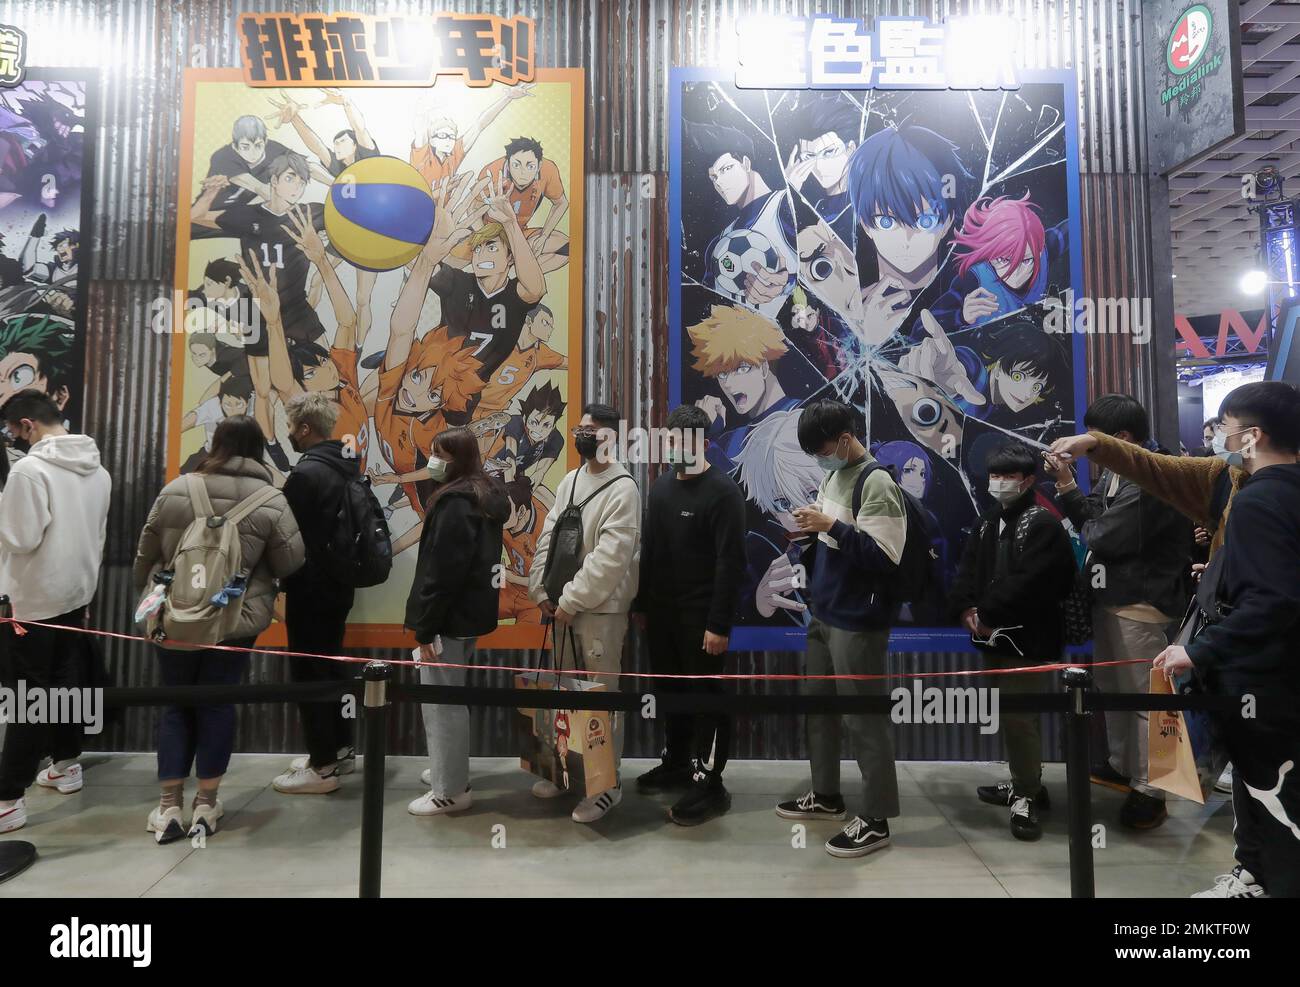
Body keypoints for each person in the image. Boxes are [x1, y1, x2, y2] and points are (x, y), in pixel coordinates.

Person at [1153, 382, 1300, 898]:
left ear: (1253, 436)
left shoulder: (1259, 499)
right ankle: (1254, 872)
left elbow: (1275, 599)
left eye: (1226, 428)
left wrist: (1198, 649)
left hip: (1264, 676)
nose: (1219, 437)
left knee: (1269, 787)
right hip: (1284, 673)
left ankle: (1269, 881)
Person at [133, 415, 304, 842]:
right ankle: (207, 805)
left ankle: (168, 807)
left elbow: (145, 551)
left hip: (174, 615)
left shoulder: (178, 488)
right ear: (258, 449)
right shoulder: (270, 499)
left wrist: (152, 592)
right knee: (216, 704)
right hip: (234, 621)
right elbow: (291, 561)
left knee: (175, 704)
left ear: (216, 445)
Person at [1045, 395, 1192, 830]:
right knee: (1114, 690)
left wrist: (1074, 498)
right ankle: (1124, 765)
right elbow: (1094, 516)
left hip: (1142, 603)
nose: (1087, 446)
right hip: (1113, 597)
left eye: (1093, 439)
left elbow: (1102, 535)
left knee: (1147, 699)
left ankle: (1152, 790)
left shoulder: (1150, 476)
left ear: (1121, 437)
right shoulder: (1119, 469)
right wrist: (1068, 485)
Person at [775, 399, 906, 858]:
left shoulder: (877, 483)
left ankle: (877, 818)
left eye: (822, 450)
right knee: (821, 710)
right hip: (824, 611)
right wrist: (814, 527)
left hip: (858, 621)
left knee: (864, 720)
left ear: (846, 439)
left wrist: (831, 524)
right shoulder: (834, 475)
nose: (819, 459)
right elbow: (836, 539)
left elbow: (886, 557)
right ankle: (826, 793)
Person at [949, 440, 1076, 841]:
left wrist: (986, 613)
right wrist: (966, 609)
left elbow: (1034, 583)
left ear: (1028, 480)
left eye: (1009, 475)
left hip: (1028, 640)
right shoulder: (988, 521)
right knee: (1011, 715)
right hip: (992, 639)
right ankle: (1027, 781)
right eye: (995, 475)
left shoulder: (1044, 523)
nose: (1000, 482)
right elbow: (967, 570)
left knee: (1021, 718)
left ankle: (1026, 794)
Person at [0, 390, 111, 835]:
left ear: (27, 425)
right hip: (75, 592)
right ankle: (66, 764)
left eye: (14, 432)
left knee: (28, 699)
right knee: (65, 683)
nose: (15, 440)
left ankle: (8, 796)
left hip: (32, 598)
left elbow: (20, 538)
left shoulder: (29, 470)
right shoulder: (97, 469)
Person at [631, 404, 746, 825]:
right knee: (670, 692)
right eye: (671, 441)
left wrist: (718, 624)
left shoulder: (723, 493)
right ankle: (677, 762)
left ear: (704, 444)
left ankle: (709, 782)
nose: (675, 448)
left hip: (702, 619)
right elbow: (651, 551)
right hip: (662, 615)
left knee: (706, 699)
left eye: (683, 442)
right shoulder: (661, 487)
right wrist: (642, 604)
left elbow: (730, 563)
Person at [528, 402, 640, 823]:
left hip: (599, 613)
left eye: (589, 431)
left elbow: (610, 560)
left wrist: (570, 600)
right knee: (563, 694)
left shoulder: (624, 488)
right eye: (579, 429)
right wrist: (540, 589)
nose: (581, 436)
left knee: (599, 701)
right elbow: (549, 535)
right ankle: (565, 773)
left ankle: (606, 786)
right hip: (560, 608)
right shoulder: (571, 480)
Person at [405, 426, 509, 816]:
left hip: (446, 620)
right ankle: (446, 769)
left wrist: (425, 627)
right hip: (468, 617)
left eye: (441, 455)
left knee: (442, 705)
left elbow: (442, 573)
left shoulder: (454, 504)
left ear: (458, 460)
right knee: (450, 700)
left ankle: (449, 789)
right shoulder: (483, 495)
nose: (433, 462)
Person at [272, 392, 361, 794]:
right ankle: (339, 749)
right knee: (332, 664)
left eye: (291, 426)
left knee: (309, 672)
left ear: (305, 428)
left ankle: (321, 766)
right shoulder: (345, 466)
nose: (289, 433)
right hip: (340, 584)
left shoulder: (306, 474)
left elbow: (286, 537)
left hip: (310, 586)